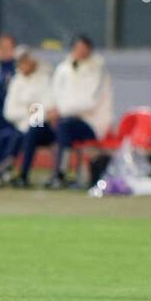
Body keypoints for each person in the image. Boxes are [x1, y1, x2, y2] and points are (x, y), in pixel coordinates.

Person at [37, 34, 111, 188]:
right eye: (78, 48)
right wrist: (48, 112)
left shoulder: (97, 69)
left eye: (84, 48)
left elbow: (90, 102)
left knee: (65, 127)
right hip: (61, 119)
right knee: (33, 129)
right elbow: (52, 94)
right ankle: (18, 175)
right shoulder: (63, 68)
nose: (81, 52)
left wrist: (60, 112)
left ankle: (61, 173)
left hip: (90, 122)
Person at [0, 44, 50, 186]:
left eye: (26, 61)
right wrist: (27, 110)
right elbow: (9, 112)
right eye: (21, 62)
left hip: (40, 127)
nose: (23, 65)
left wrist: (29, 113)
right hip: (20, 125)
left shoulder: (44, 79)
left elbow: (46, 108)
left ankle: (23, 174)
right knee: (7, 136)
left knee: (30, 133)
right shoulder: (17, 81)